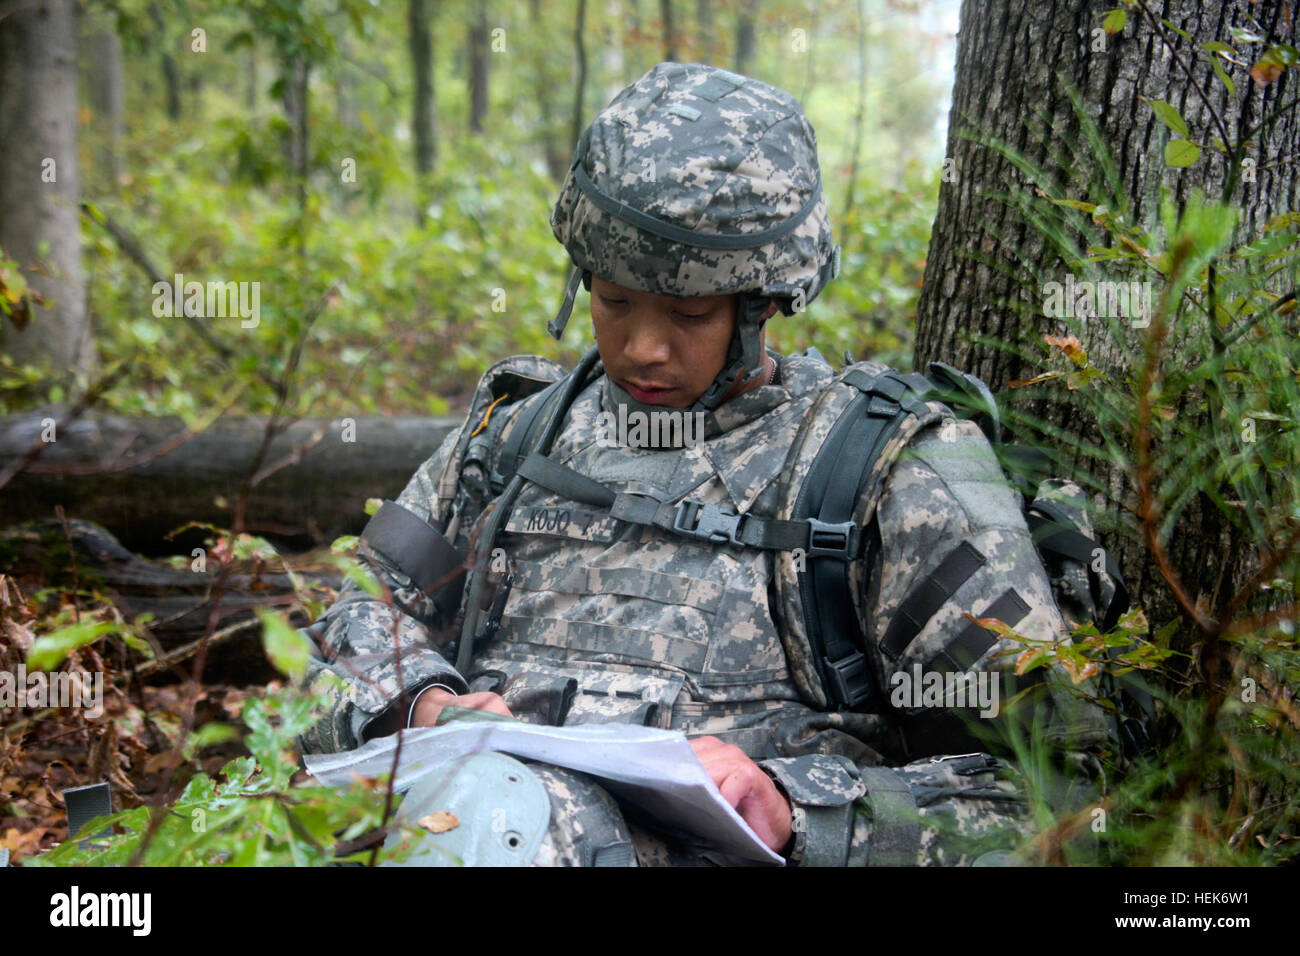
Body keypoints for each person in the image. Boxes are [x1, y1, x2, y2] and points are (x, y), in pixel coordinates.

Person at [298, 62, 1109, 866]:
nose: (643, 348)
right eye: (613, 301)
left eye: (688, 314)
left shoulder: (888, 471)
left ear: (762, 304)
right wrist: (422, 703)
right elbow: (348, 627)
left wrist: (801, 807)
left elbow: (1056, 789)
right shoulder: (511, 438)